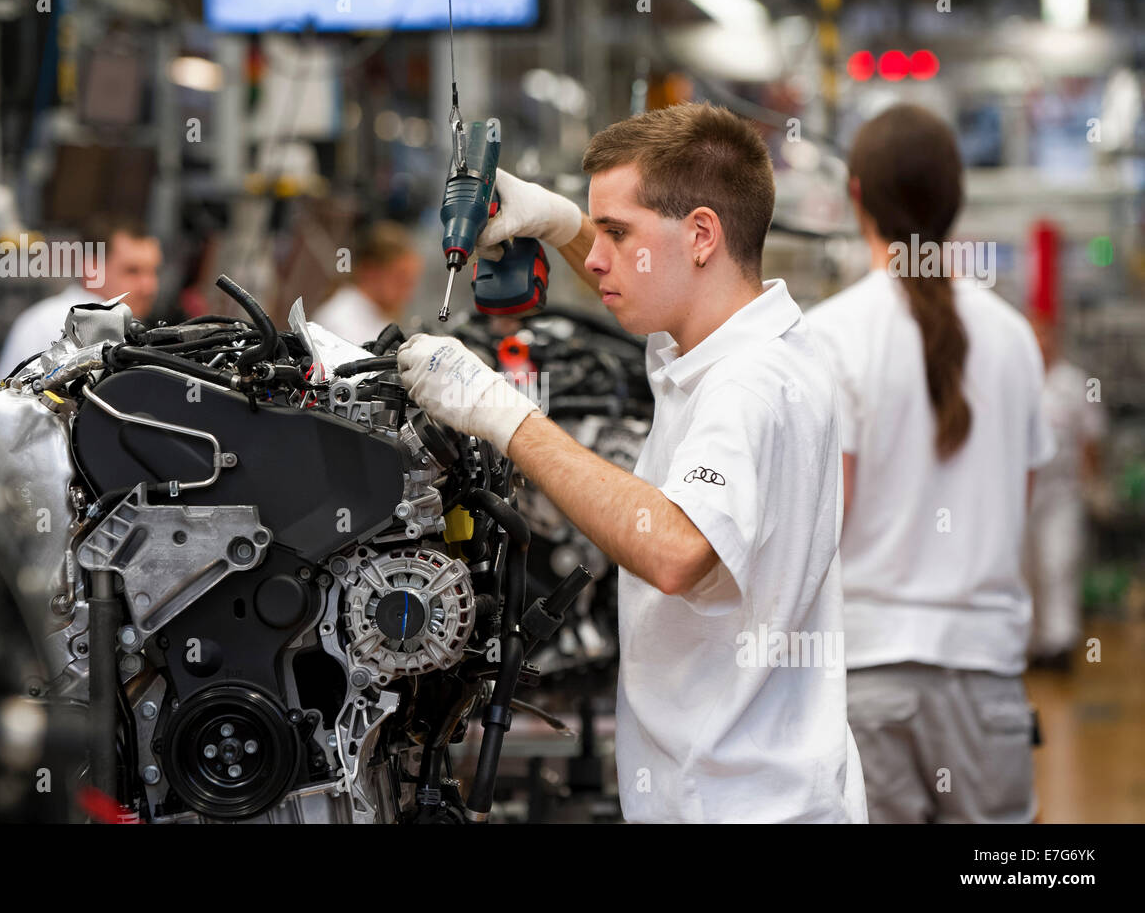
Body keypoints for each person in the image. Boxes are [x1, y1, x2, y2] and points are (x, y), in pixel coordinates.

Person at [396, 103, 867, 823]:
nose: (596, 258)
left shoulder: (747, 386)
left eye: (617, 233)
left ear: (702, 235)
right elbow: (648, 285)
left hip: (742, 804)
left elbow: (676, 549)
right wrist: (556, 221)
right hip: (738, 784)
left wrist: (501, 413)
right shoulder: (729, 343)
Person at [805, 104, 1056, 823]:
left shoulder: (829, 338)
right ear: (956, 201)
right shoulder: (1013, 340)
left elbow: (826, 520)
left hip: (869, 679)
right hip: (988, 681)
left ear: (857, 197)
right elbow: (1022, 499)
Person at [1025, 318, 1106, 669]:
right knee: (1025, 566)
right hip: (1023, 493)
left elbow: (1091, 436)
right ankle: (1031, 643)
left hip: (1063, 492)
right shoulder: (1017, 379)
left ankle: (1061, 642)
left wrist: (1093, 483)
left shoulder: (1077, 383)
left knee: (1059, 562)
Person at [0, 218, 162, 381]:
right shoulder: (44, 324)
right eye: (132, 271)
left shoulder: (140, 331)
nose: (149, 287)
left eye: (153, 271)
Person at [312, 221, 422, 346]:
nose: (408, 293)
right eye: (400, 279)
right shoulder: (341, 320)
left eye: (411, 282)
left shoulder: (376, 314)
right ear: (371, 271)